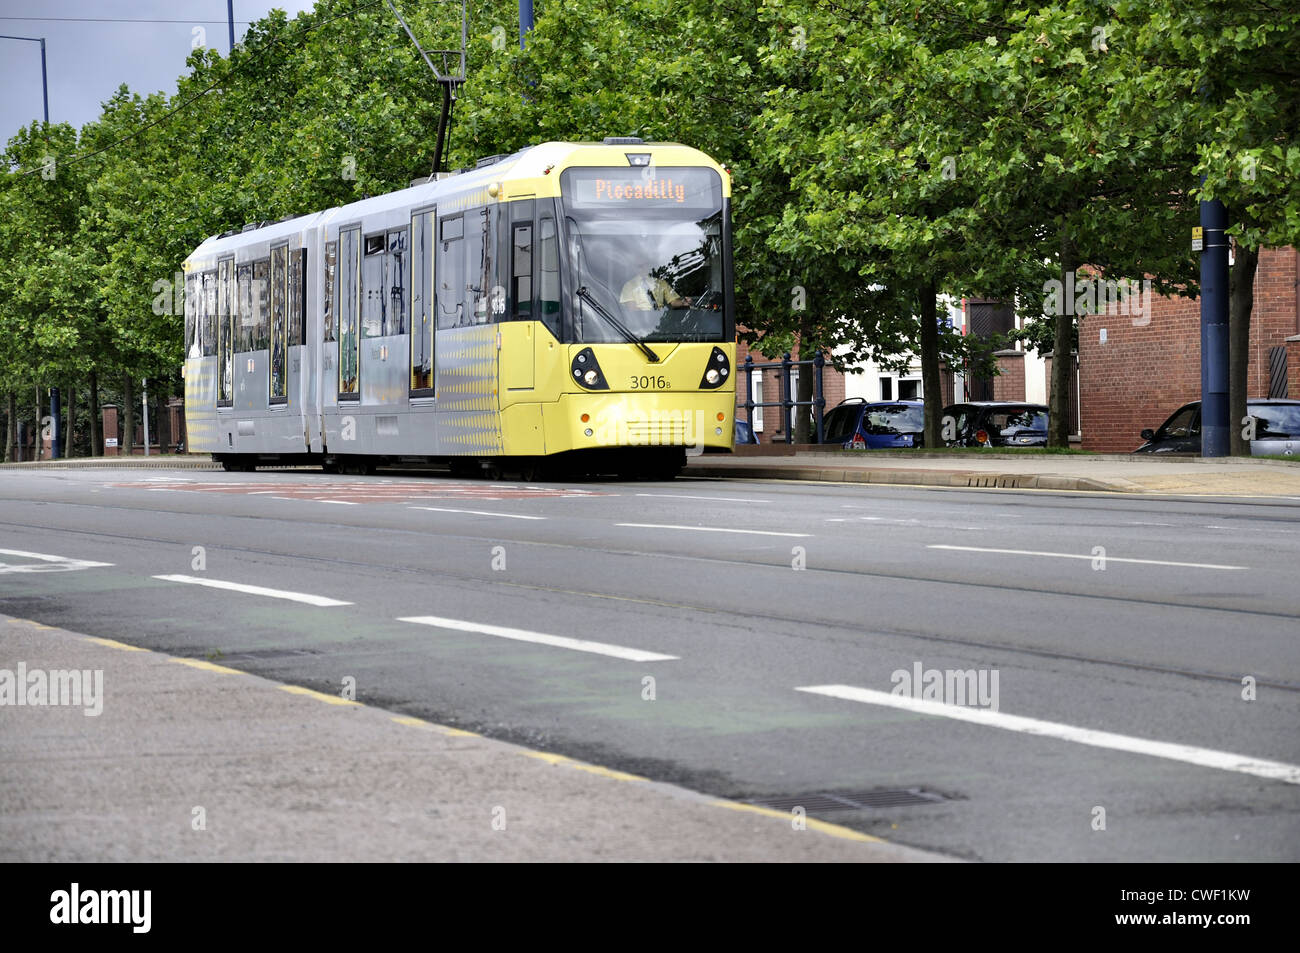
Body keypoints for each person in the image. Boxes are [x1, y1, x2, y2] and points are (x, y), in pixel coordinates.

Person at [620, 261, 690, 311]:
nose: (643, 268)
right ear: (635, 269)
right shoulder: (629, 285)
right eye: (640, 266)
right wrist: (650, 312)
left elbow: (673, 302)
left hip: (659, 317)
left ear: (649, 267)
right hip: (640, 322)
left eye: (646, 265)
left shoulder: (661, 283)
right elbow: (632, 309)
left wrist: (683, 302)